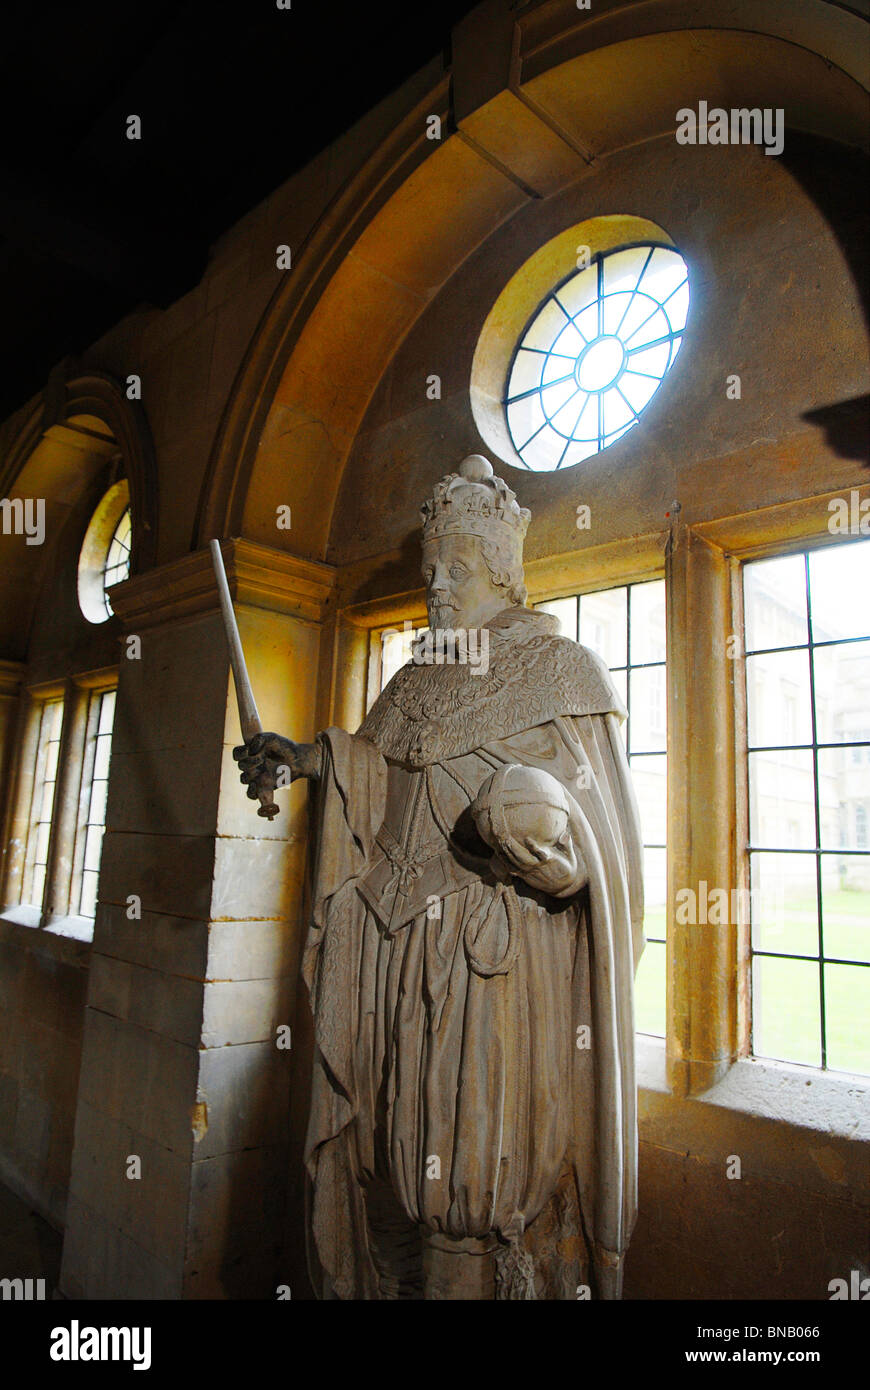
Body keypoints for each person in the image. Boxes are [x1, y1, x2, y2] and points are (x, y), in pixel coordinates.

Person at [235, 454, 644, 1299]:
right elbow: (382, 771)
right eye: (432, 573)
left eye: (456, 570)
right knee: (396, 1167)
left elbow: (599, 847)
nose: (439, 590)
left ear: (501, 567)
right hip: (397, 961)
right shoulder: (418, 678)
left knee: (465, 1183)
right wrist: (307, 759)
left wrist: (543, 839)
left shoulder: (561, 671)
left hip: (489, 966)